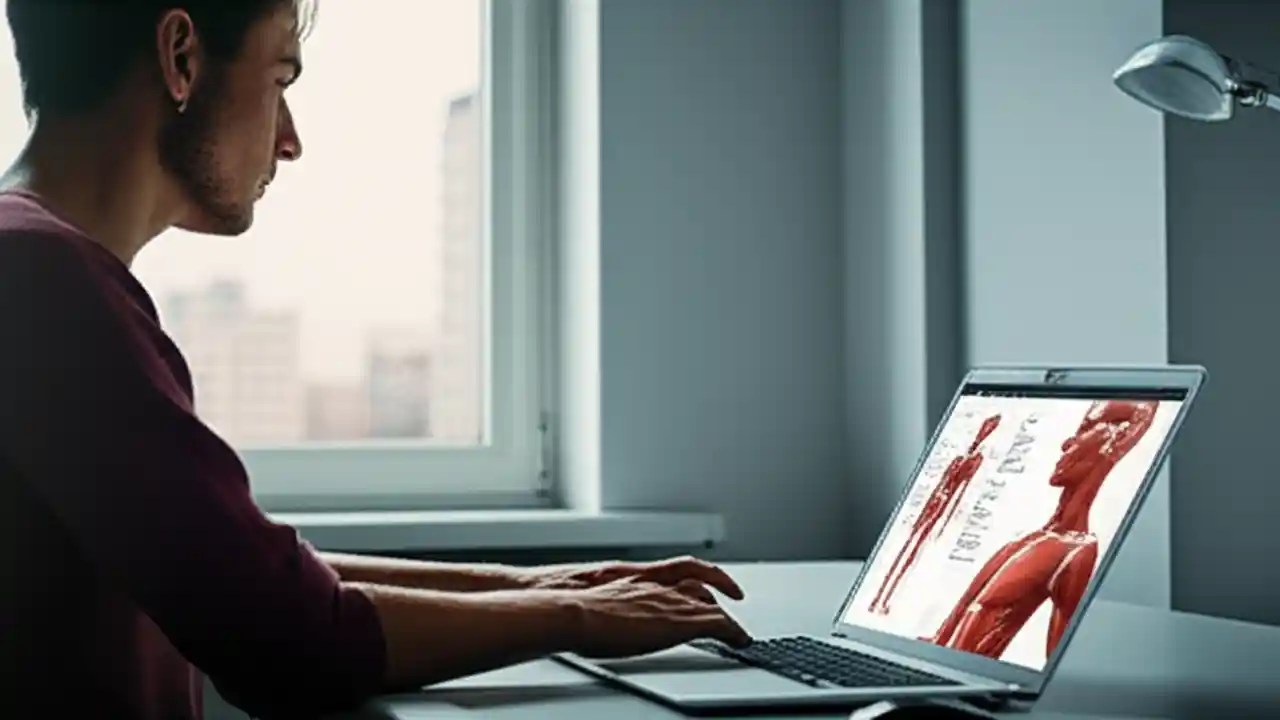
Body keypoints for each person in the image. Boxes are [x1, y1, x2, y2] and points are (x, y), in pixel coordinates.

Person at [0, 1, 751, 718]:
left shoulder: (34, 265)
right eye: (281, 79)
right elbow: (290, 636)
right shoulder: (45, 284)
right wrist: (575, 616)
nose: (289, 138)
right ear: (181, 57)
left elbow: (248, 571)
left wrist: (544, 582)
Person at [924, 400, 1157, 661]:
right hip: (929, 676)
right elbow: (941, 637)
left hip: (964, 691)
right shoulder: (1028, 538)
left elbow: (1056, 661)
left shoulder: (1076, 552)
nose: (1067, 443)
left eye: (1085, 429)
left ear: (1115, 440)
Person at [869, 414, 1002, 615]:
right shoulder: (960, 459)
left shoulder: (975, 460)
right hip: (930, 509)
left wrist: (944, 521)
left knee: (911, 556)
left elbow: (960, 492)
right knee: (903, 552)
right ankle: (878, 598)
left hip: (938, 513)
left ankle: (885, 600)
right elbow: (942, 483)